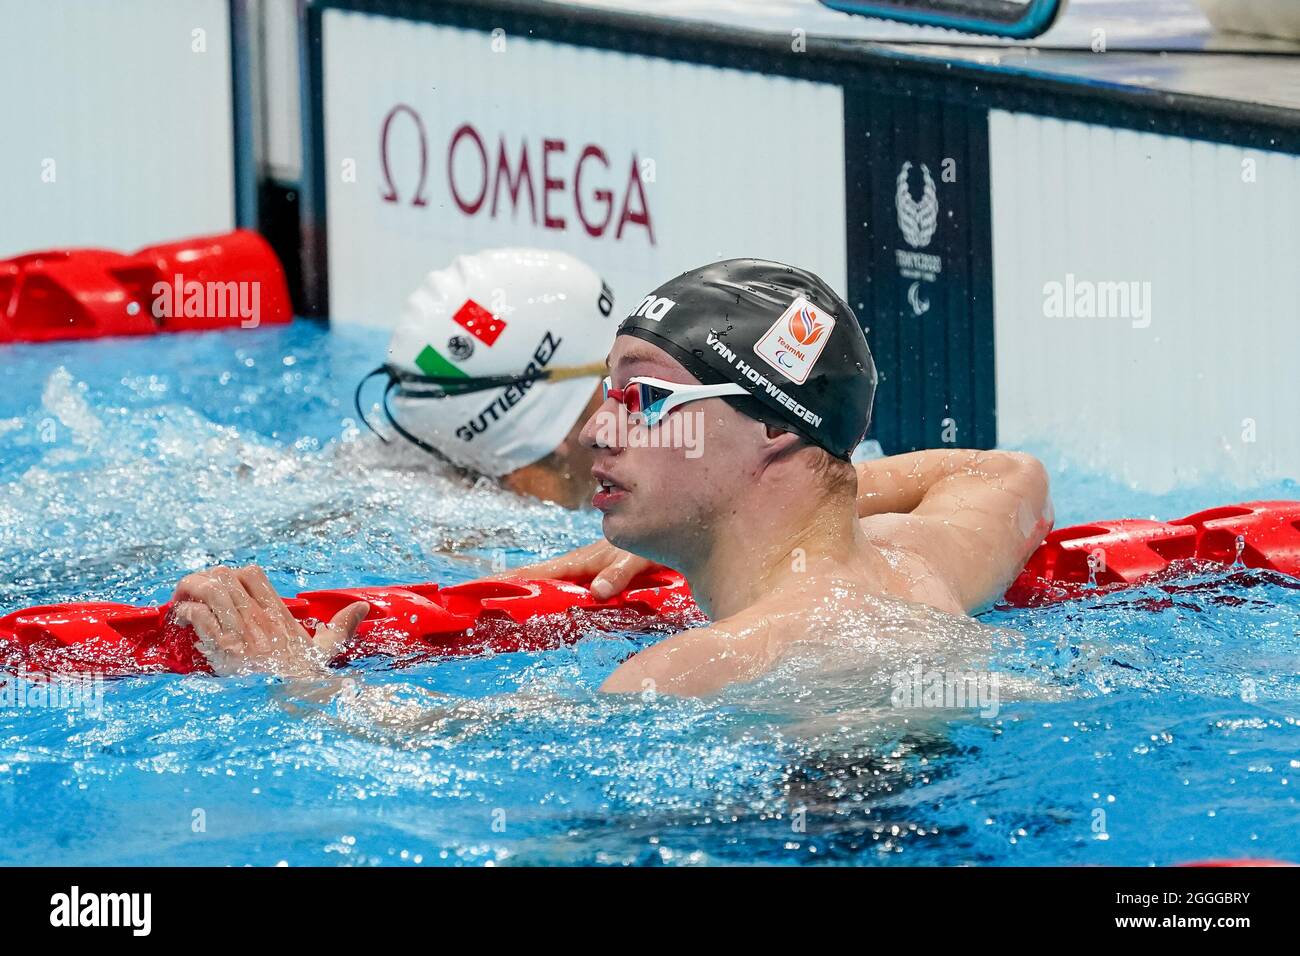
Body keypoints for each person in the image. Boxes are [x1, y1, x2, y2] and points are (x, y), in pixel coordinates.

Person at [171, 259, 1052, 697]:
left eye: (645, 398)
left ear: (775, 430)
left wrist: (298, 686)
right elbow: (1006, 472)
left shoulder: (692, 669)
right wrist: (740, 517)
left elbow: (465, 751)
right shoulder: (918, 569)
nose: (598, 425)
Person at [364, 247, 616, 508]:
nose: (633, 399)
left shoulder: (379, 483)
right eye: (613, 377)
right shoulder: (564, 541)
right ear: (551, 426)